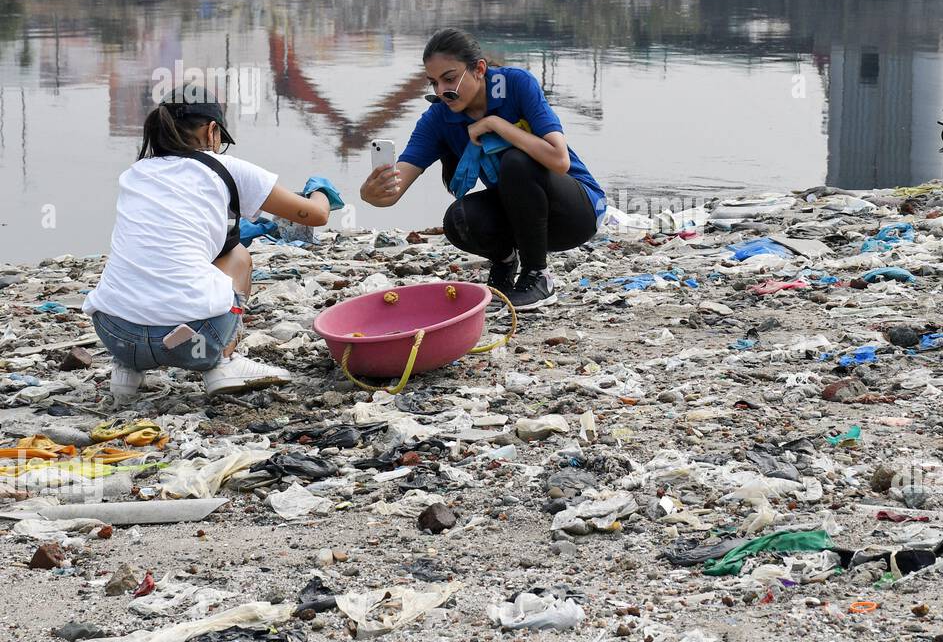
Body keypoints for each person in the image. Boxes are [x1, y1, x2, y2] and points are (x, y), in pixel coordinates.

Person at [84, 88, 335, 398]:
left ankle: (126, 371)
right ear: (212, 131)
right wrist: (321, 190)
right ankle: (221, 363)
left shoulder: (135, 174)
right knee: (238, 254)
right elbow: (315, 216)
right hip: (191, 341)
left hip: (116, 334)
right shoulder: (225, 167)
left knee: (145, 264)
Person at [359, 29, 606, 310]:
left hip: (577, 211)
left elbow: (559, 159)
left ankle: (538, 276)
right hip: (526, 220)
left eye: (449, 79)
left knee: (517, 161)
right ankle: (504, 263)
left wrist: (495, 125)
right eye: (434, 83)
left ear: (479, 69)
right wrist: (372, 194)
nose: (442, 92)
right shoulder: (438, 119)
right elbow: (393, 191)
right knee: (459, 219)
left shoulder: (515, 84)